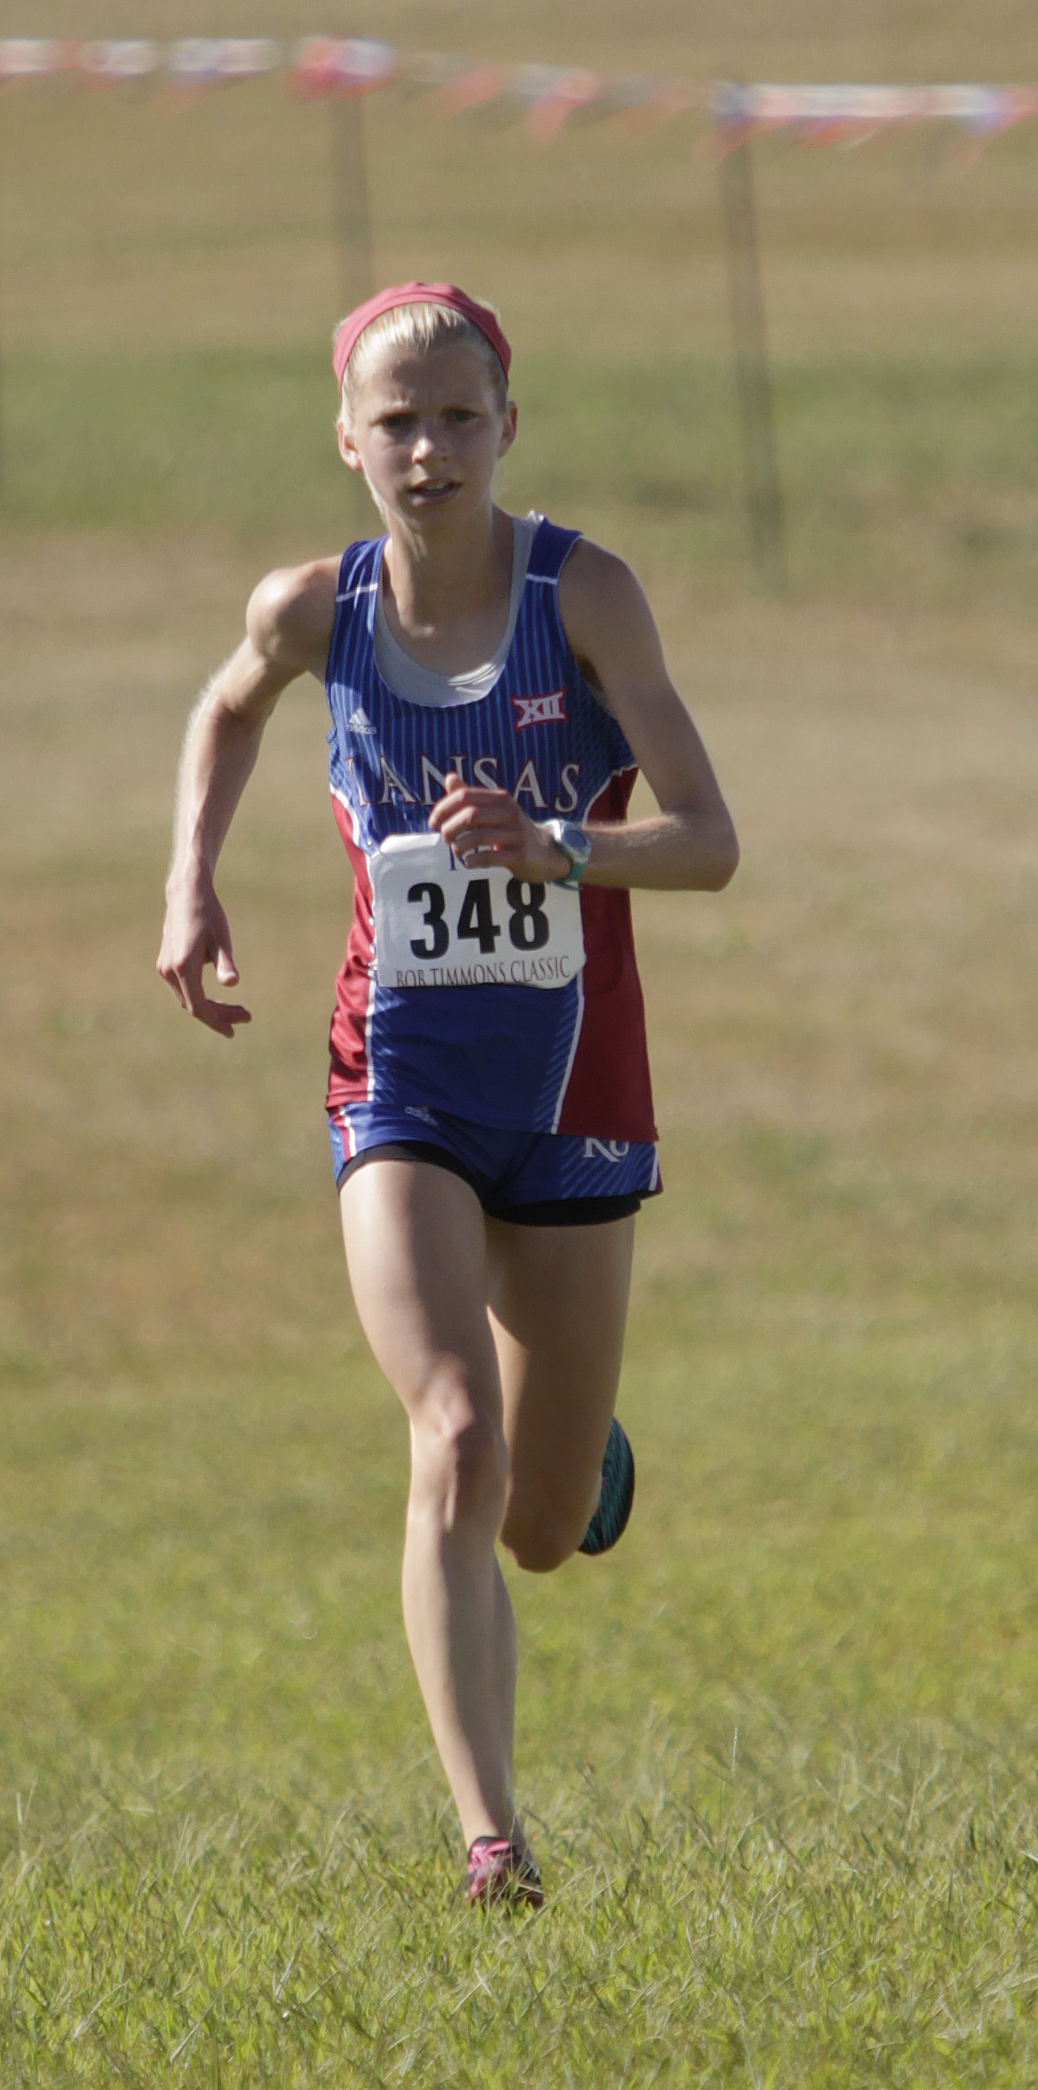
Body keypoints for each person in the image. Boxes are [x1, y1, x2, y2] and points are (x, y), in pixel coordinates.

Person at [157, 281, 738, 1907]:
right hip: (394, 1074)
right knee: (452, 1432)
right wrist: (188, 888)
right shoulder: (310, 609)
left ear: (505, 427)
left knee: (540, 1525)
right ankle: (494, 1840)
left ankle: (584, 1452)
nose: (428, 448)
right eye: (395, 421)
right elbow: (223, 707)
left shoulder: (585, 597)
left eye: (457, 417)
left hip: (574, 1089)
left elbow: (705, 839)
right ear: (347, 441)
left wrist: (558, 845)